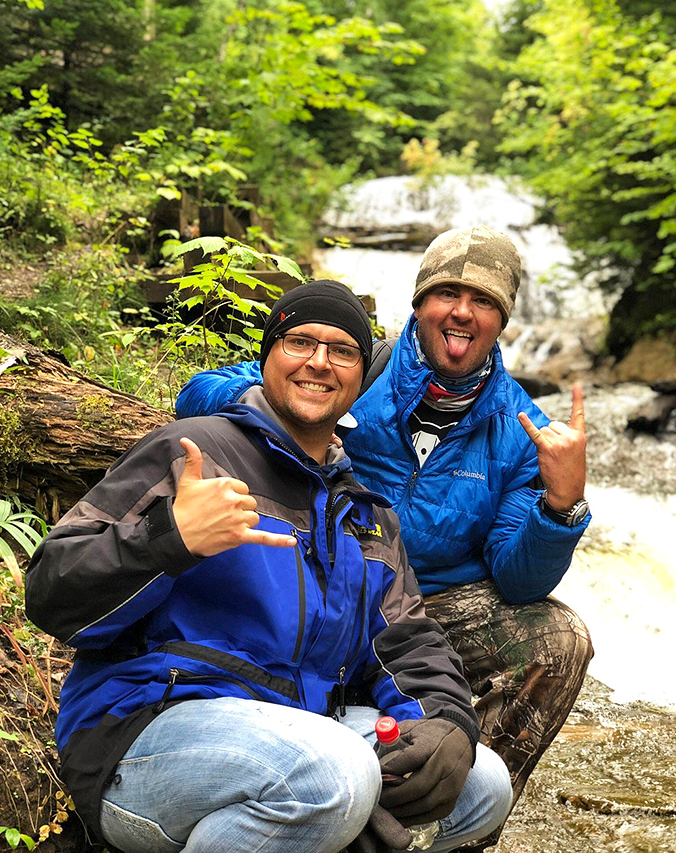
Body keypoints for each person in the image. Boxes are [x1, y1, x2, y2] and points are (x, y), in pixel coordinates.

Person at [26, 280, 513, 853]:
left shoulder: (367, 513)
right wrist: (167, 539)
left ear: (361, 378)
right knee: (333, 775)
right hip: (142, 730)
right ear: (267, 357)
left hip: (304, 735)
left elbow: (406, 641)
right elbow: (51, 593)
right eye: (299, 342)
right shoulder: (194, 453)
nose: (319, 362)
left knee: (483, 785)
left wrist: (449, 720)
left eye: (342, 351)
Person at [175, 226, 594, 848]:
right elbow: (197, 393)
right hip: (327, 586)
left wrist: (560, 505)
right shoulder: (353, 367)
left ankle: (446, 812)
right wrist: (290, 404)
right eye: (447, 293)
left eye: (482, 300)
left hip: (428, 612)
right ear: (419, 305)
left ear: (501, 320)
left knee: (559, 639)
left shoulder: (524, 429)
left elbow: (518, 579)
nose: (461, 311)